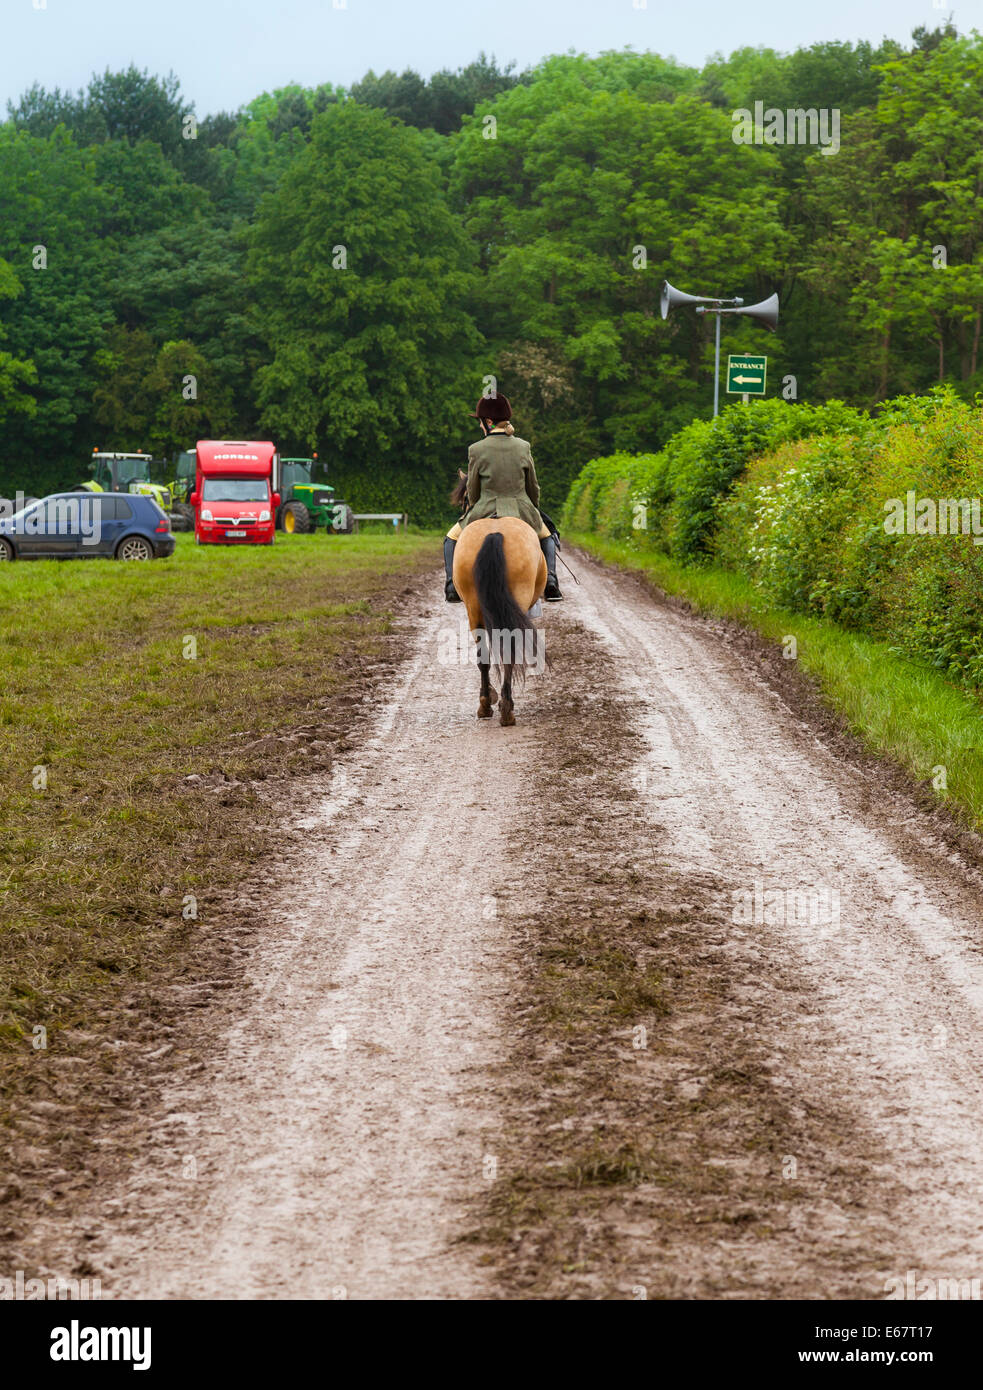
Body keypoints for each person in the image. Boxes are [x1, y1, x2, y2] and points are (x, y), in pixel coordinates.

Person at [443, 394, 562, 603]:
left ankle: (452, 585)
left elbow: (473, 490)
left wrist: (476, 505)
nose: (480, 427)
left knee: (450, 539)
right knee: (547, 536)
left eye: (480, 422)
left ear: (488, 422)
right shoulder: (523, 446)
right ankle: (551, 581)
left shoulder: (476, 449)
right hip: (521, 508)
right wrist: (533, 508)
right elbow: (533, 486)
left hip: (485, 507)